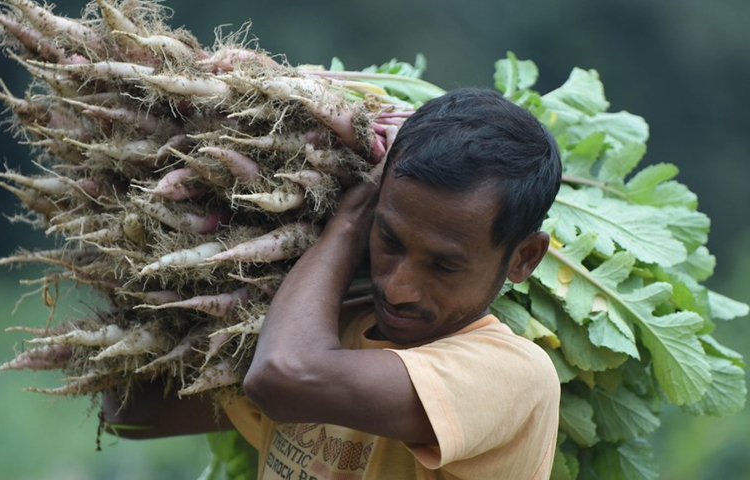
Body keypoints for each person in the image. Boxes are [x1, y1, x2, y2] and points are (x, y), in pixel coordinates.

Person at [102, 87, 563, 479]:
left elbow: (280, 376)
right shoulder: (324, 329)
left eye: (443, 266)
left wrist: (351, 220)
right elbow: (134, 412)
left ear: (524, 257)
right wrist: (127, 230)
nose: (398, 287)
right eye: (389, 239)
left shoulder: (513, 374)